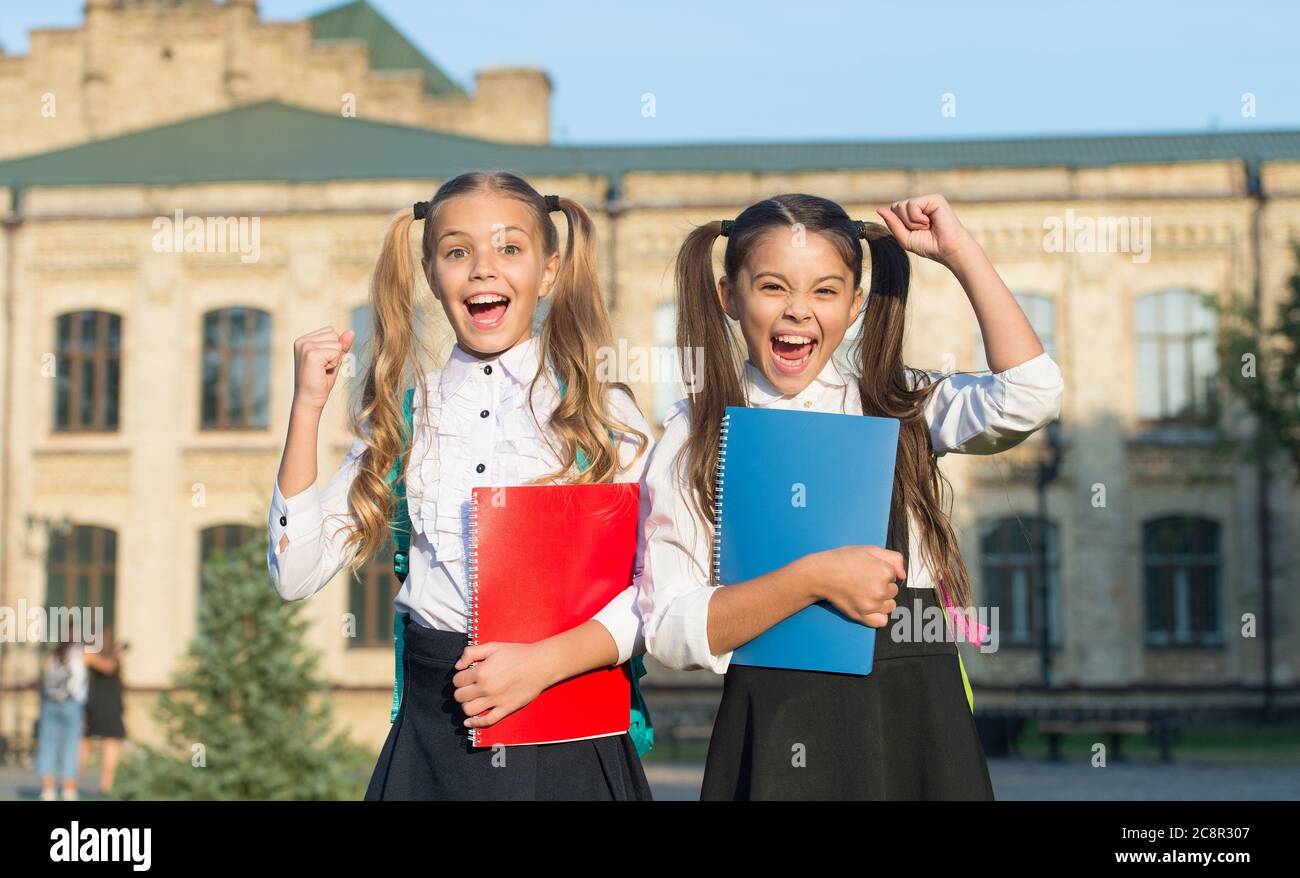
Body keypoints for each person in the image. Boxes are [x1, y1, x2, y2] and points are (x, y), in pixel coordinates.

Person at [639, 192, 1064, 799]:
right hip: (777, 720)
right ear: (728, 296)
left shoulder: (899, 404)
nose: (798, 312)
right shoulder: (698, 431)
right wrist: (811, 579)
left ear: (856, 302)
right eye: (772, 288)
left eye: (825, 291)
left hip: (916, 717)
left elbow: (1032, 392)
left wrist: (960, 253)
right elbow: (670, 628)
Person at [268, 172, 655, 800]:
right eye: (457, 252)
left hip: (570, 739)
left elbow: (658, 589)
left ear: (549, 271)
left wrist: (542, 665)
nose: (482, 270)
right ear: (430, 274)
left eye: (509, 249)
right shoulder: (405, 421)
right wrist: (307, 409)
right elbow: (295, 574)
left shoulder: (604, 415)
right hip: (435, 741)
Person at [35, 639, 89, 800]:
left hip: (50, 702)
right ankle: (69, 789)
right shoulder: (81, 653)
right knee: (71, 746)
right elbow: (106, 665)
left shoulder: (52, 653)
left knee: (47, 745)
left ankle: (48, 790)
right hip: (71, 703)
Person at [81, 629, 128, 795]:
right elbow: (101, 664)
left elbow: (109, 667)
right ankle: (72, 782)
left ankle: (105, 786)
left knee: (110, 744)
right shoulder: (92, 657)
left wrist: (116, 654)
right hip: (94, 705)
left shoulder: (112, 659)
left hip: (108, 705)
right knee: (83, 743)